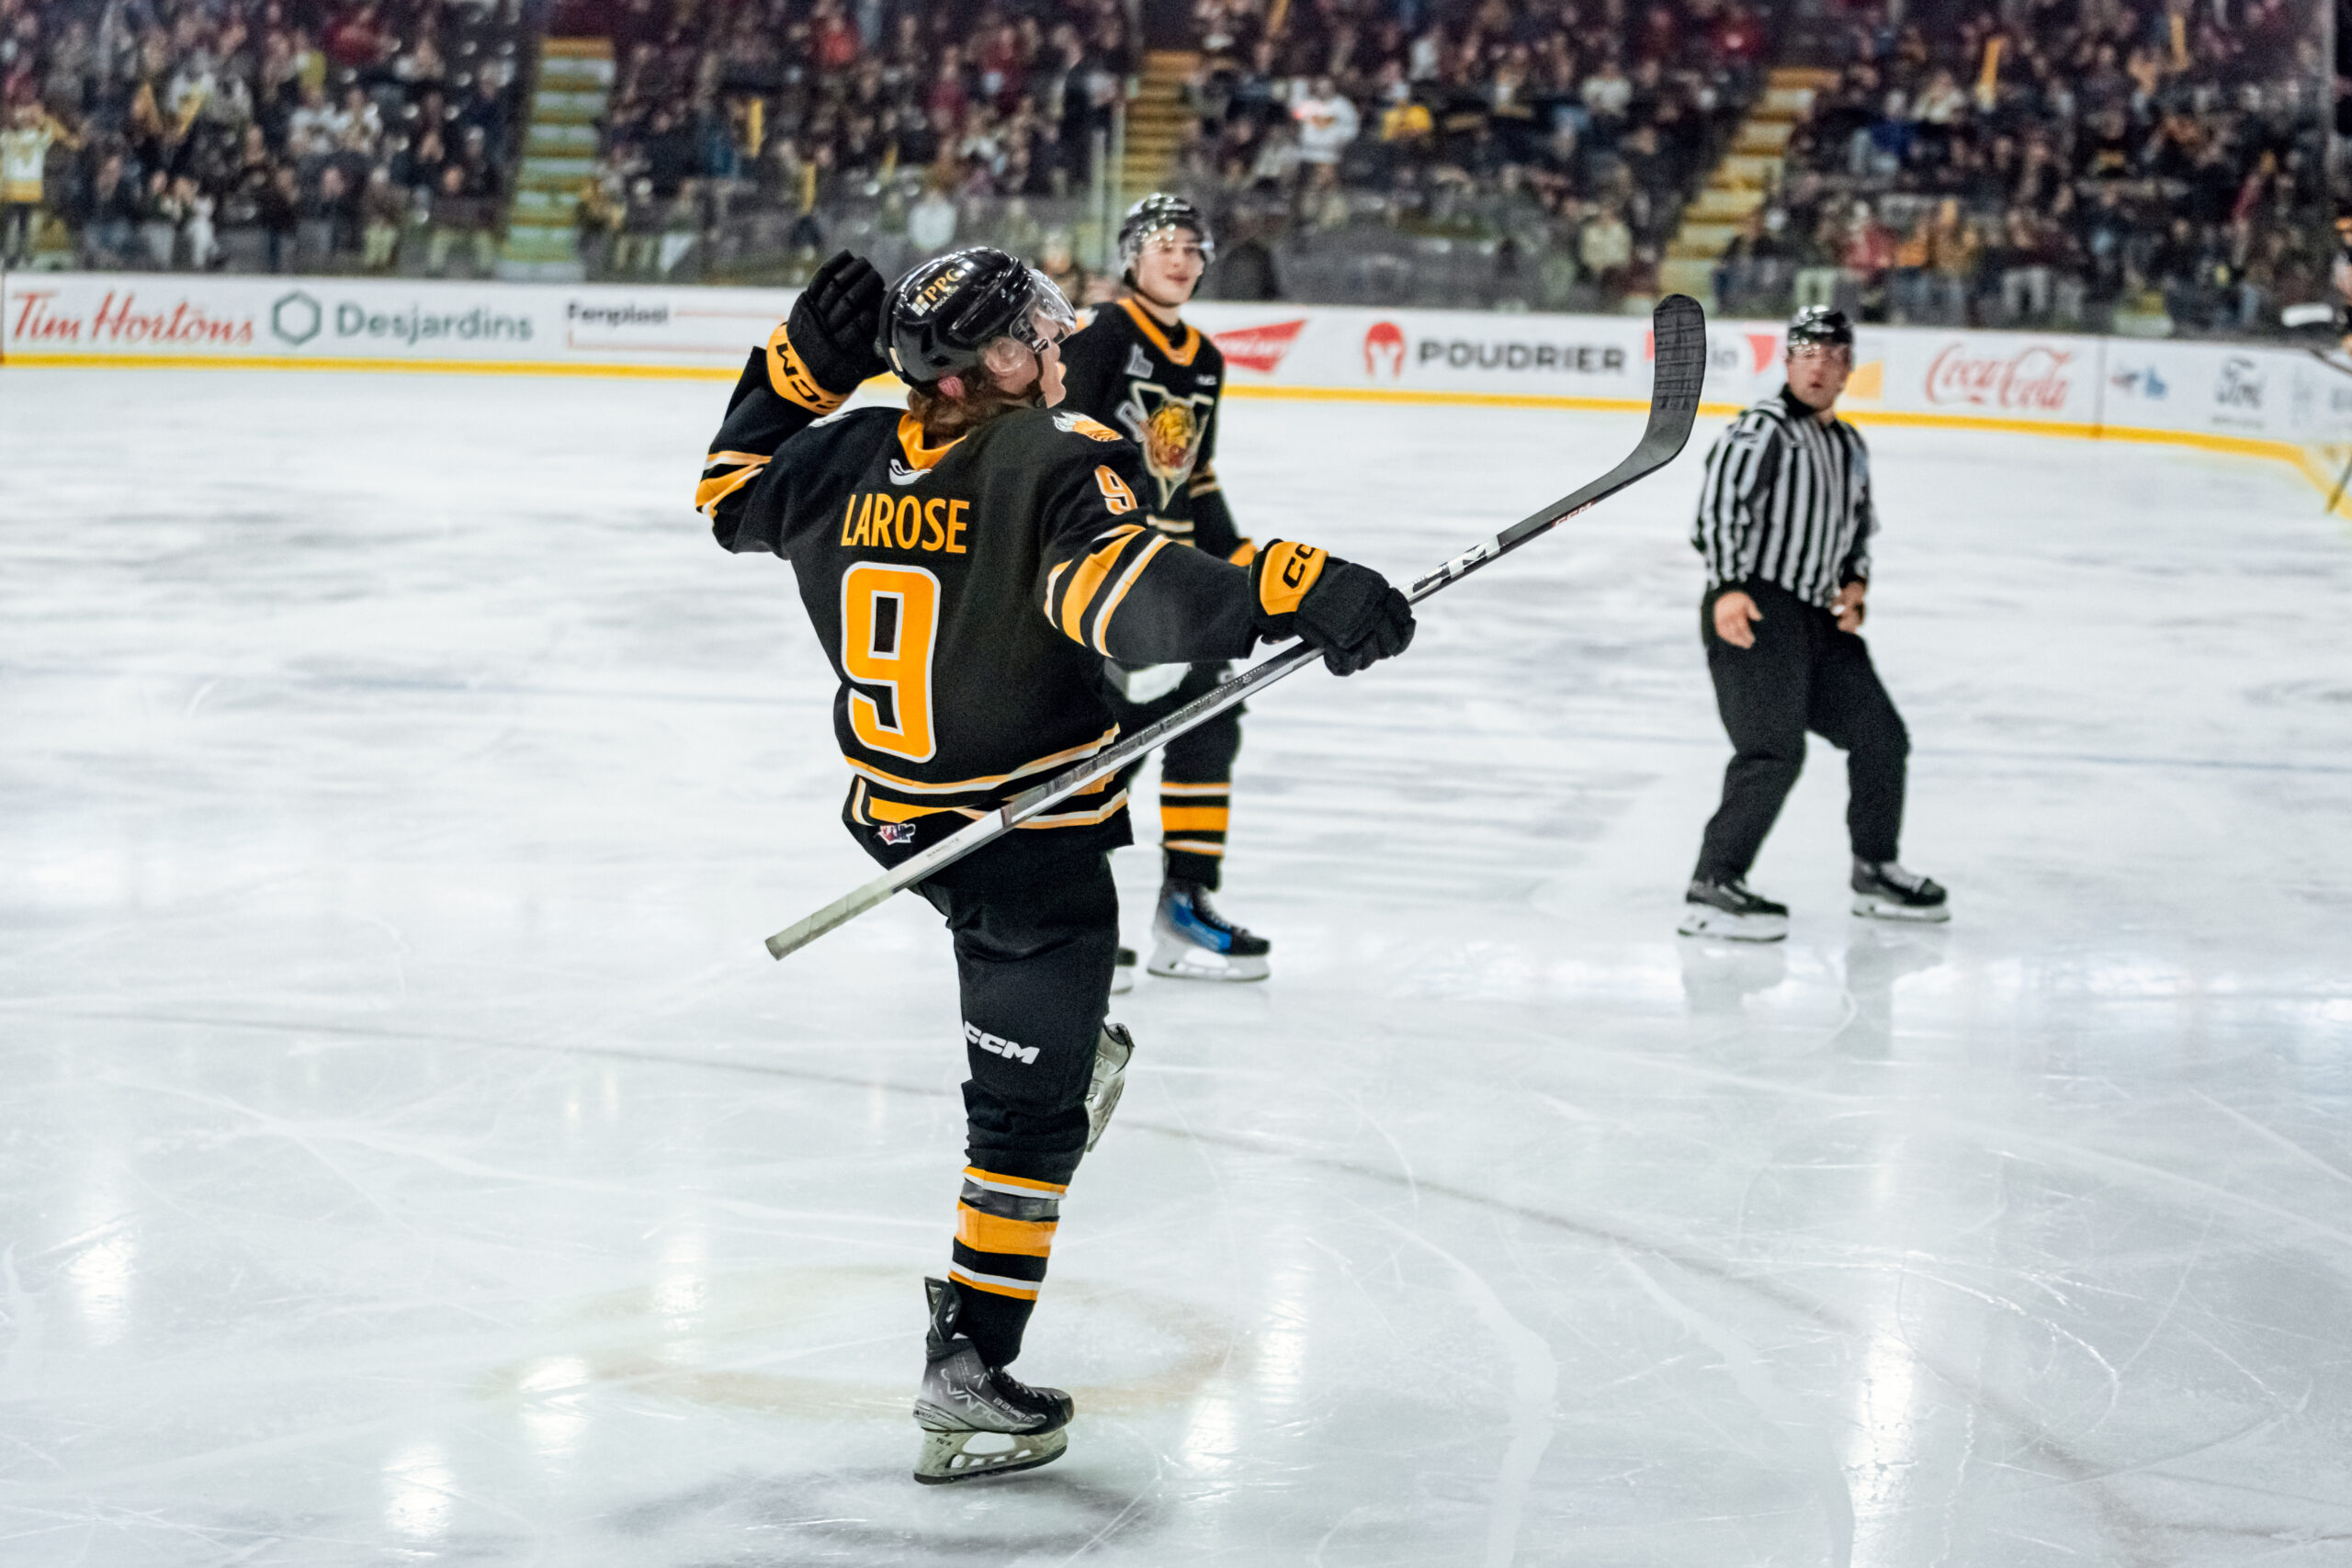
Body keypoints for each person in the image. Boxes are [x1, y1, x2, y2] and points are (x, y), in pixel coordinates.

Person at [694, 248, 1412, 1483]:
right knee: (1025, 1124)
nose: (1065, 338)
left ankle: (1057, 1055)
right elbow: (1137, 611)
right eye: (1041, 328)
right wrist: (1294, 582)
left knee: (1030, 1023)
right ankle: (970, 1367)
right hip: (1022, 847)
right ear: (998, 363)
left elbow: (727, 487)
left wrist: (796, 369)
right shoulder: (1050, 459)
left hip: (901, 819)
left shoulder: (846, 452)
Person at [1679, 306, 1947, 941]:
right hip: (1755, 609)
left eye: (1833, 355)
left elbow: (1857, 531)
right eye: (1807, 353)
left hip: (1819, 621)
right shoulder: (1763, 428)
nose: (1819, 365)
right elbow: (1718, 509)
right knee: (1772, 751)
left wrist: (1855, 585)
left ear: (1849, 367)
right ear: (1789, 362)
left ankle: (1875, 869)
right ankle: (1713, 884)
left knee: (1881, 736)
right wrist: (1728, 587)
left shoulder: (1849, 444)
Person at [1057, 193, 1268, 987]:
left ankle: (1184, 905)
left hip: (1174, 585)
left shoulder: (1205, 358)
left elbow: (1195, 479)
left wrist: (1252, 570)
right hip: (1104, 578)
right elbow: (1059, 447)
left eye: (1191, 246)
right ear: (1130, 257)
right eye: (1162, 244)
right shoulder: (1103, 334)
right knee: (1104, 744)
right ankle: (1080, 917)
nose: (1179, 259)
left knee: (1210, 725)